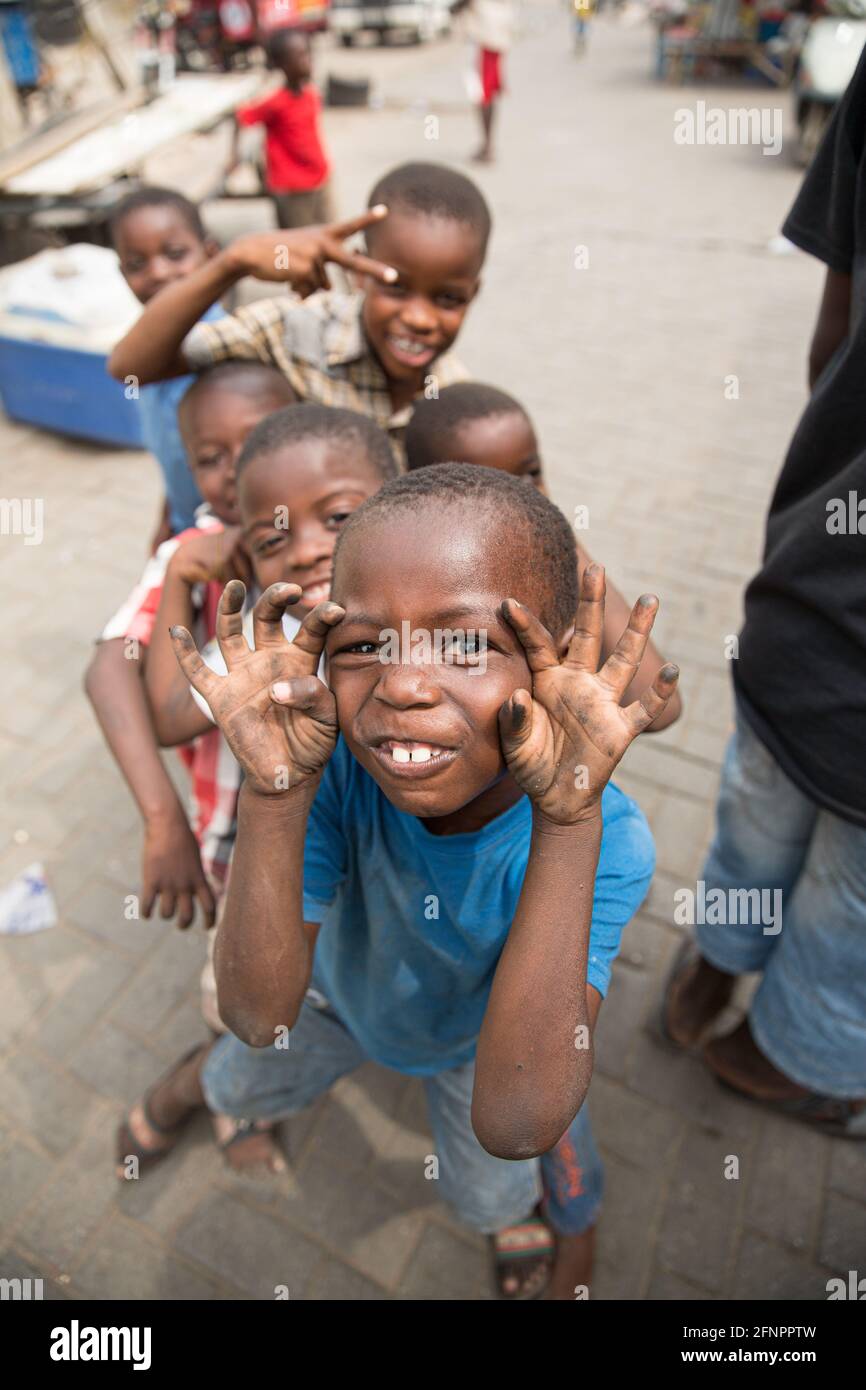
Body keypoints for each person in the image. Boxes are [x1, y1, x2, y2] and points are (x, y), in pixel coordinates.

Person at [153, 466, 678, 1298]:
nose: (401, 684)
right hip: (336, 1005)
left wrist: (568, 822)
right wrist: (274, 791)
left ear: (557, 666)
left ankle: (553, 1221)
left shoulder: (607, 839)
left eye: (466, 644)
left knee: (497, 1184)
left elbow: (515, 1120)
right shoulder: (330, 777)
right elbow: (259, 1014)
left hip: (481, 1048)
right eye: (362, 646)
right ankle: (179, 1091)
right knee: (236, 1070)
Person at [660, 48, 866, 1136]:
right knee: (819, 873)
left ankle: (744, 1012)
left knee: (781, 838)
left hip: (815, 578)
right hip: (816, 592)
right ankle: (769, 1033)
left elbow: (831, 331)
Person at [116, 401, 398, 1177]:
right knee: (243, 999)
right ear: (247, 553)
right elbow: (171, 713)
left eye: (338, 517)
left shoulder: (431, 627)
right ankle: (223, 1096)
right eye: (274, 539)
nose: (307, 551)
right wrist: (180, 573)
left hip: (394, 894)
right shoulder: (266, 652)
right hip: (273, 871)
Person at [108, 162, 488, 461]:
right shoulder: (293, 331)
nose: (419, 319)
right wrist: (232, 262)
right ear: (358, 272)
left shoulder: (457, 403)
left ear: (473, 295)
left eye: (447, 299)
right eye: (396, 286)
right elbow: (132, 368)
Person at [405, 382, 682, 732]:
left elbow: (659, 707)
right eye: (490, 486)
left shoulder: (546, 567)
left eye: (531, 474)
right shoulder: (422, 586)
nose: (523, 499)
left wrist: (563, 540)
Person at [109, 187, 225, 550]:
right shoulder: (142, 357)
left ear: (211, 255)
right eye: (137, 264)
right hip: (185, 526)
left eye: (175, 255)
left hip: (224, 536)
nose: (158, 272)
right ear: (121, 272)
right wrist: (168, 519)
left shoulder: (227, 348)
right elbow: (175, 452)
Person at [232, 27, 332, 230]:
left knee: (328, 237)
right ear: (281, 64)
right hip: (291, 188)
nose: (307, 60)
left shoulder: (310, 94)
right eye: (300, 56)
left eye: (308, 53)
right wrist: (233, 157)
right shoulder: (276, 103)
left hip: (319, 179)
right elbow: (240, 117)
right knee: (293, 249)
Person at [453, 0, 516, 163]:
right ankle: (487, 144)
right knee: (486, 97)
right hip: (495, 40)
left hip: (486, 42)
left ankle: (487, 146)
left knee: (483, 97)